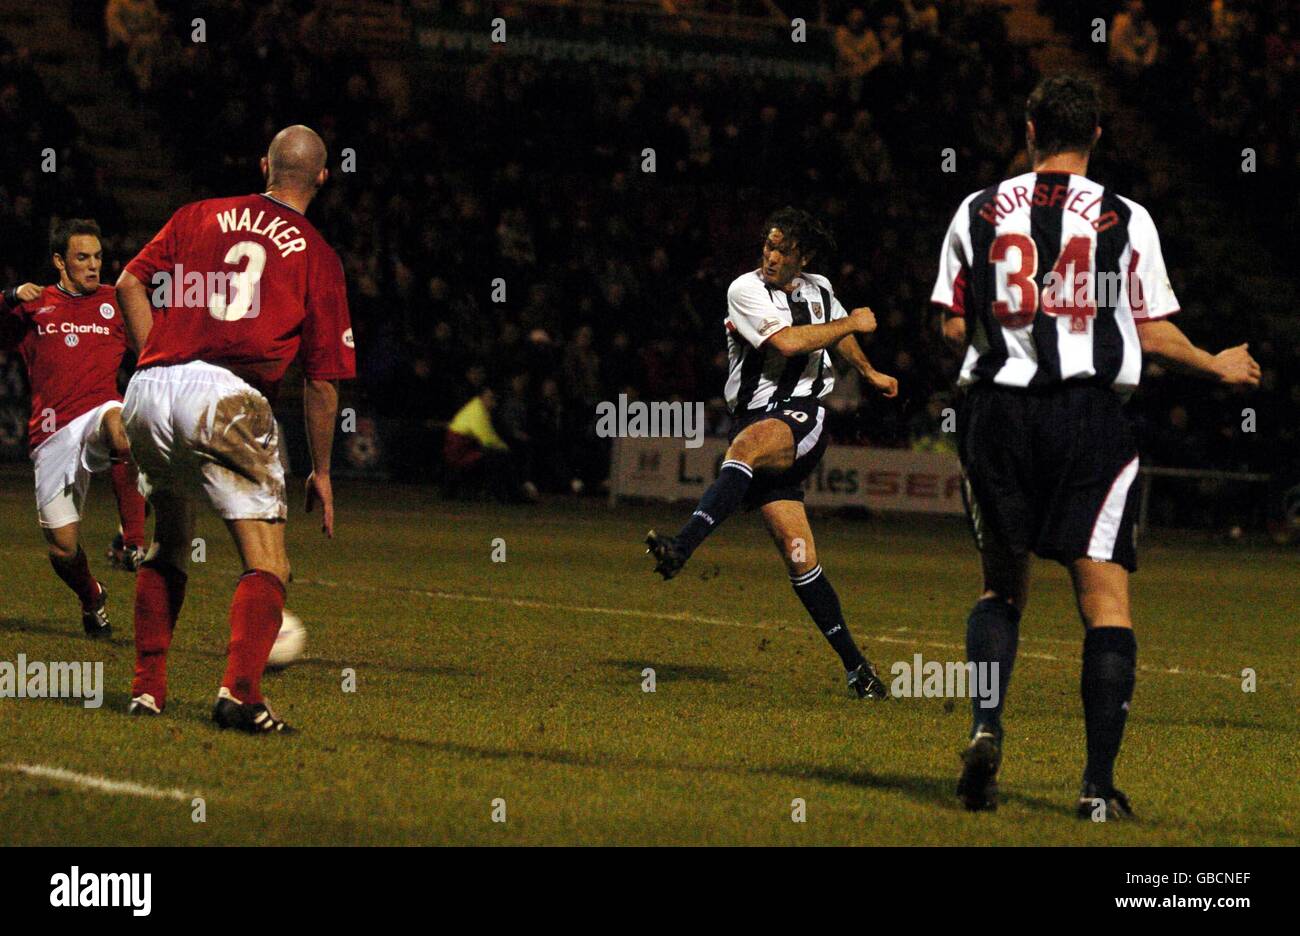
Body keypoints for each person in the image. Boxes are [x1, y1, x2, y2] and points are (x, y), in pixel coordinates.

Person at [930, 74, 1261, 816]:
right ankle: (1095, 789)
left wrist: (991, 338)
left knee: (1000, 587)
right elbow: (1147, 328)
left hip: (997, 414)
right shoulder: (1124, 216)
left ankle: (986, 725)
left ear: (1028, 129)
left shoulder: (977, 208)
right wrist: (1216, 362)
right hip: (1089, 417)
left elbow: (950, 327)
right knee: (1104, 598)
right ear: (1097, 136)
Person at [115, 125, 356, 733]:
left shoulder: (199, 214)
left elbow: (127, 283)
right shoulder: (317, 254)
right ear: (322, 178)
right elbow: (323, 380)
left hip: (148, 389)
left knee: (167, 542)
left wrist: (156, 357)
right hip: (227, 396)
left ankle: (147, 690)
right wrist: (322, 470)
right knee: (270, 564)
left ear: (263, 167)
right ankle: (240, 696)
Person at [646, 208, 899, 699]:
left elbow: (838, 336)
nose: (771, 255)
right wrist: (850, 321)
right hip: (757, 420)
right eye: (767, 245)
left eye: (782, 249)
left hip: (801, 415)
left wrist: (868, 373)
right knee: (800, 558)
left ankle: (681, 546)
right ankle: (858, 670)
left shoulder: (818, 288)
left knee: (743, 448)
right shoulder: (744, 290)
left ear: (802, 256)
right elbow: (786, 342)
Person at [0, 218, 148, 637]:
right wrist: (8, 296)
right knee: (63, 549)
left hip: (100, 409)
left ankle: (133, 540)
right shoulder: (35, 304)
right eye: (82, 257)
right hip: (50, 432)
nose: (93, 265)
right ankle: (91, 596)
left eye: (98, 257)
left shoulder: (116, 301)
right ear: (59, 261)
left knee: (122, 426)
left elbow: (153, 345)